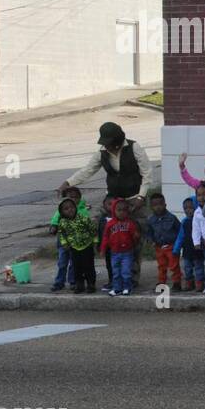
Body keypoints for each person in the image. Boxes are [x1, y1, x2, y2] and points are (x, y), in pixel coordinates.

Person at [60, 121, 155, 286]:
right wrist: (68, 182)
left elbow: (147, 173)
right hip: (112, 200)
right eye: (106, 144)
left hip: (134, 201)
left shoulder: (134, 148)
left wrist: (141, 197)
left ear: (118, 140)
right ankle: (114, 278)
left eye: (110, 144)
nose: (108, 147)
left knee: (134, 239)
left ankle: (132, 278)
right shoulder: (102, 153)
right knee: (110, 237)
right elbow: (87, 170)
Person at [48, 186, 90, 292]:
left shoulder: (82, 211)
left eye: (76, 197)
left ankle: (73, 281)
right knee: (62, 263)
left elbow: (88, 225)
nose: (73, 200)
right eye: (70, 198)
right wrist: (53, 226)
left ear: (80, 198)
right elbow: (55, 218)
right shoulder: (62, 210)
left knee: (74, 263)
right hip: (63, 241)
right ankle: (59, 282)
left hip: (76, 242)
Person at [53, 197, 98, 294]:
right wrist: (64, 243)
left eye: (72, 207)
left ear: (75, 207)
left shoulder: (83, 218)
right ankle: (79, 284)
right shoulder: (62, 222)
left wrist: (95, 241)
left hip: (87, 246)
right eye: (66, 209)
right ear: (61, 211)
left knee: (89, 266)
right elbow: (61, 234)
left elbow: (93, 229)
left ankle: (91, 284)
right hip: (74, 248)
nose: (70, 210)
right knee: (77, 267)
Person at [100, 198, 140, 296]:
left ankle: (127, 287)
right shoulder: (110, 224)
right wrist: (103, 249)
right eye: (119, 210)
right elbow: (105, 237)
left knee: (126, 271)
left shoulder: (130, 223)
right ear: (114, 210)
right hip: (114, 252)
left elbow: (135, 236)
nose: (122, 212)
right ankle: (117, 288)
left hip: (127, 252)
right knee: (116, 272)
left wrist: (136, 236)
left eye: (124, 210)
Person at [145, 193, 183, 293]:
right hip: (159, 247)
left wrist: (179, 244)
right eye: (155, 205)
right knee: (161, 266)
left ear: (165, 205)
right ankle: (161, 283)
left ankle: (177, 283)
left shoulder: (172, 218)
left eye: (160, 204)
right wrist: (150, 240)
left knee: (174, 265)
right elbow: (149, 232)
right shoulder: (151, 220)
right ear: (151, 207)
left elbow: (180, 230)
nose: (158, 207)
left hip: (171, 246)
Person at [174, 196, 205, 292]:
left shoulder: (200, 219)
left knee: (199, 268)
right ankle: (189, 283)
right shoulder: (184, 222)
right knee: (187, 268)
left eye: (191, 208)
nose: (188, 210)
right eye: (185, 208)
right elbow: (180, 236)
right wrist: (176, 248)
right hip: (187, 250)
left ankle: (200, 283)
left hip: (197, 249)